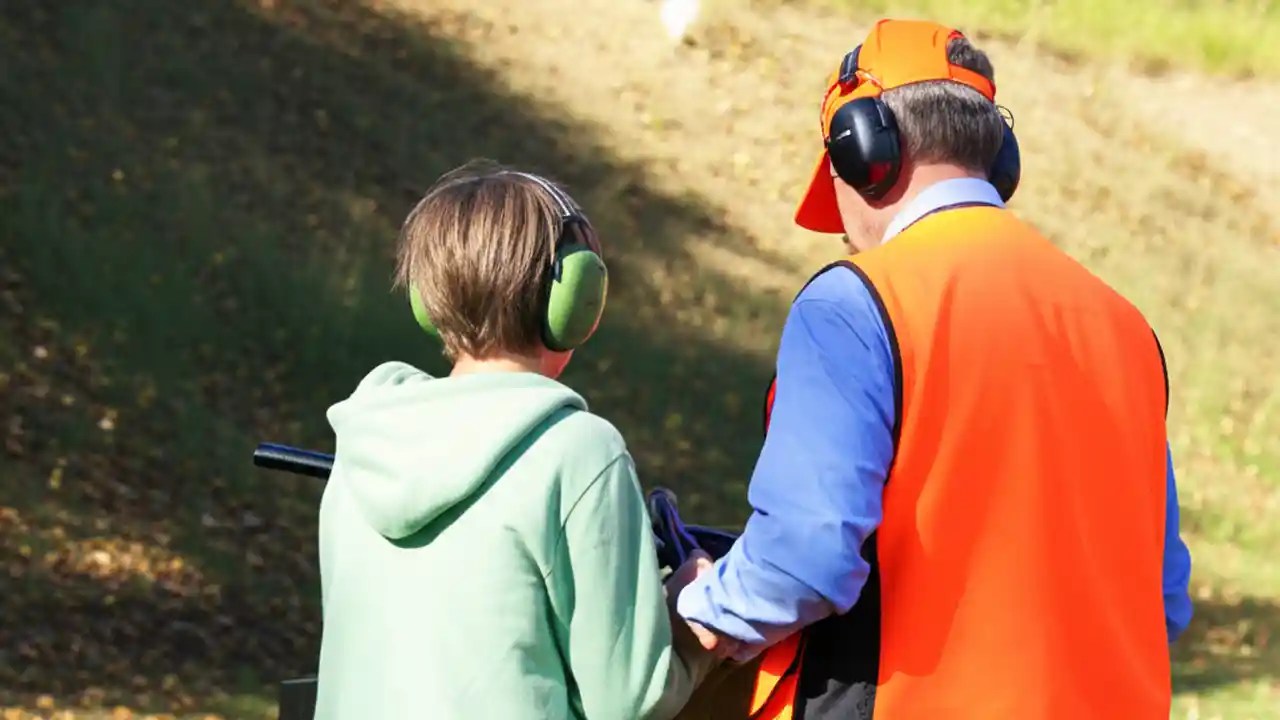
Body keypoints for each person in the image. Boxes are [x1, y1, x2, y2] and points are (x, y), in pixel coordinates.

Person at [675, 18, 1194, 720]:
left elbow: (803, 560)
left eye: (837, 188)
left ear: (864, 152)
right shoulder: (1127, 329)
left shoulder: (855, 303)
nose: (843, 227)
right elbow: (1161, 597)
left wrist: (699, 605)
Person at [313, 161, 717, 719]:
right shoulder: (579, 452)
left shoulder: (366, 441)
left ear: (428, 303)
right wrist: (689, 628)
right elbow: (628, 698)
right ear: (575, 298)